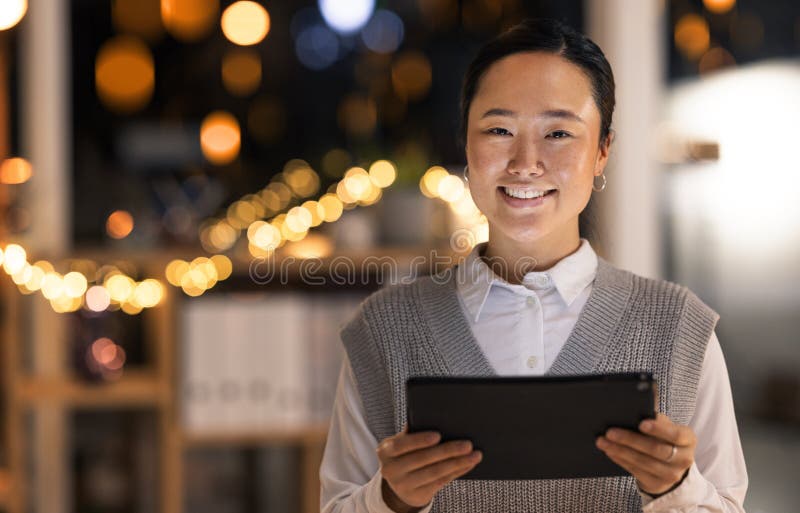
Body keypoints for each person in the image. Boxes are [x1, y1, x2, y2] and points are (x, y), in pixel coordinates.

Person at [319, 18, 748, 513]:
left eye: (559, 133)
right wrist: (390, 499)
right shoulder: (384, 331)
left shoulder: (678, 329)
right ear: (466, 145)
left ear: (602, 151)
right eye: (499, 129)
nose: (525, 162)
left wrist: (676, 492)